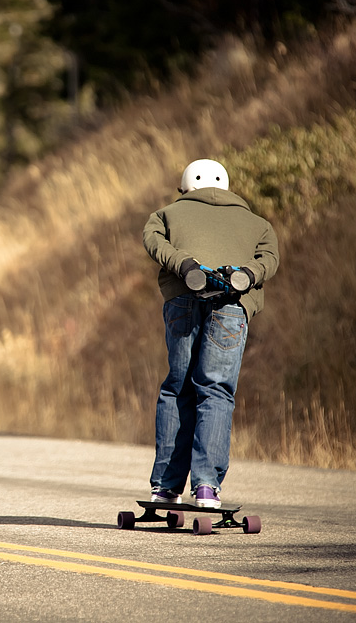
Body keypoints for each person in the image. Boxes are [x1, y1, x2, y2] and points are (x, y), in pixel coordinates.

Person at [142, 158, 279, 508]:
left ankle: (166, 487)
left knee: (177, 388)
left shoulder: (168, 214)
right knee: (216, 392)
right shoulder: (257, 223)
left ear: (185, 188)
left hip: (182, 301)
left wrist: (185, 265)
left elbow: (151, 238)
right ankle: (206, 488)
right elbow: (271, 258)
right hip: (232, 304)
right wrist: (247, 275)